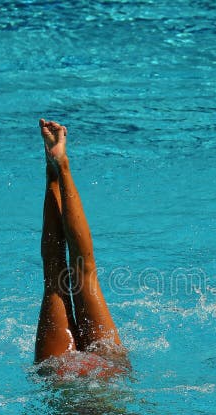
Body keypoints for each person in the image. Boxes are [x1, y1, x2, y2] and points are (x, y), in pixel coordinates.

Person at [34, 119, 128, 378]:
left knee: (81, 271)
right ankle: (57, 167)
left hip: (97, 370)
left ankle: (58, 169)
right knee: (61, 273)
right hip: (88, 371)